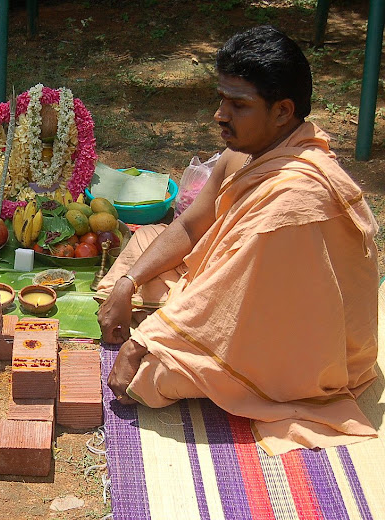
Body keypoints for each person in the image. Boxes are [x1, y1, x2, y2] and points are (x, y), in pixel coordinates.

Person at [96, 26, 379, 455]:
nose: (219, 115)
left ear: (283, 111)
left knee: (153, 377)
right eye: (221, 99)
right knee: (144, 249)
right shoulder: (247, 151)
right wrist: (127, 284)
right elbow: (191, 226)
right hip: (250, 285)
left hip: (310, 342)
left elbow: (224, 292)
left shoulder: (296, 197)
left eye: (238, 105)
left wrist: (144, 342)